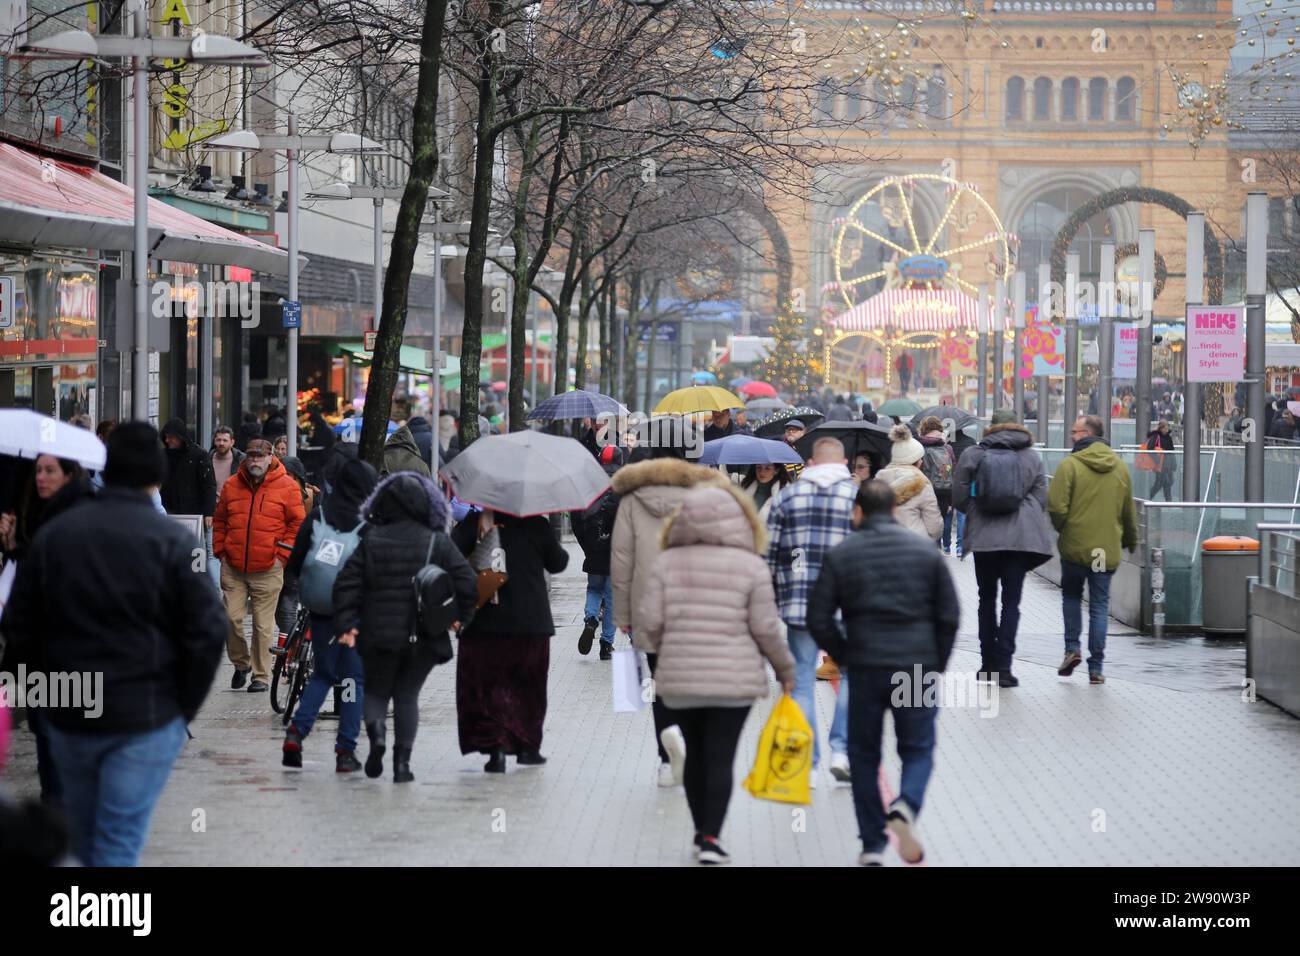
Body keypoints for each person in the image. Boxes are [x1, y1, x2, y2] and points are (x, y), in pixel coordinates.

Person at [0, 422, 226, 866]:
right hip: (144, 714)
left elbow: (19, 624)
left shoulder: (57, 534)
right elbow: (209, 629)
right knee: (119, 839)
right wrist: (181, 707)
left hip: (70, 712)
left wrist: (35, 692)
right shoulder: (173, 542)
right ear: (155, 477)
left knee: (81, 830)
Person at [636, 485, 796, 865]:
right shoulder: (752, 565)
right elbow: (765, 627)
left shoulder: (665, 563)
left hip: (681, 679)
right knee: (721, 757)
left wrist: (670, 643)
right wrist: (785, 670)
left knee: (696, 756)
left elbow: (651, 623)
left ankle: (697, 830)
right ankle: (710, 838)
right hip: (734, 681)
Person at [807, 479, 959, 866]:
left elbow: (819, 618)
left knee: (863, 754)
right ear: (894, 511)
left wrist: (845, 655)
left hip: (867, 668)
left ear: (857, 512)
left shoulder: (842, 554)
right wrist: (934, 664)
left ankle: (873, 844)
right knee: (918, 747)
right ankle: (906, 806)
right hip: (915, 667)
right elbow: (949, 616)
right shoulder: (925, 552)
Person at [333, 472, 477, 782]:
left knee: (375, 692)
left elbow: (346, 582)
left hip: (376, 634)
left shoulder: (371, 539)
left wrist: (346, 622)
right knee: (407, 696)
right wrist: (461, 619)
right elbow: (468, 581)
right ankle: (402, 765)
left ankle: (377, 738)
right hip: (422, 635)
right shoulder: (436, 540)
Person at [612, 450, 730, 786]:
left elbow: (621, 561)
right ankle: (694, 747)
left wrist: (622, 614)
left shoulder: (631, 502)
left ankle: (666, 760)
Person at [0, 454, 94, 808]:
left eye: (50, 471)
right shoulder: (40, 512)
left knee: (61, 741)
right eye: (38, 470)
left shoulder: (78, 516)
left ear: (69, 475)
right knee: (45, 738)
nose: (41, 478)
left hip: (70, 654)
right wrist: (11, 546)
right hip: (38, 653)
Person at [765, 436, 857, 784]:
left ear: (812, 464)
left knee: (801, 681)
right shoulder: (856, 497)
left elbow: (771, 555)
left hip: (799, 605)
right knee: (850, 676)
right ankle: (842, 752)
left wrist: (775, 597)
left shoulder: (786, 498)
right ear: (844, 464)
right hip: (848, 604)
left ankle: (809, 763)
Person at [452, 507, 569, 772]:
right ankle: (528, 747)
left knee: (488, 687)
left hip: (486, 624)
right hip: (531, 624)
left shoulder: (476, 523)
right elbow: (558, 562)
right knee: (529, 688)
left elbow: (449, 555)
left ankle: (496, 750)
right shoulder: (537, 525)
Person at [281, 458, 378, 772]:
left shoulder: (317, 517)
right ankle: (345, 750)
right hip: (355, 616)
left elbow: (295, 562)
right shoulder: (369, 524)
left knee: (323, 675)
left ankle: (296, 732)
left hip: (321, 611)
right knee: (352, 680)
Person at [951, 409, 1054, 687]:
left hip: (984, 539)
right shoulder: (1031, 456)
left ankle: (987, 664)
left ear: (991, 428)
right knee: (1011, 602)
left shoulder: (973, 454)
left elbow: (958, 494)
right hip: (1019, 540)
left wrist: (976, 510)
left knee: (986, 599)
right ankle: (1005, 668)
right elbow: (1042, 496)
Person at [1048, 416, 1138, 685]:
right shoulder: (1119, 468)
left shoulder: (1070, 466)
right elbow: (1128, 512)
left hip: (1075, 550)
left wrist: (1064, 528)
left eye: (1074, 431)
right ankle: (1096, 667)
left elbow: (1056, 507)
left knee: (1072, 598)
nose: (1071, 436)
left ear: (1086, 434)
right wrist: (1130, 541)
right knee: (1099, 606)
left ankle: (1071, 648)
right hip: (1104, 552)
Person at [213, 438, 305, 693]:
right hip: (233, 565)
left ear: (269, 458)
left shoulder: (287, 486)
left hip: (268, 567)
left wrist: (282, 556)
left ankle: (261, 676)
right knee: (231, 618)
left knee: (263, 627)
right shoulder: (232, 485)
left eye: (259, 457)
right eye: (251, 456)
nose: (254, 461)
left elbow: (297, 524)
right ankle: (242, 664)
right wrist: (220, 550)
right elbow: (220, 520)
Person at [572, 446, 623, 660]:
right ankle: (606, 644)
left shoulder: (589, 486)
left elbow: (577, 519)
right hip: (617, 553)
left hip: (594, 551)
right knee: (612, 599)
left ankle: (591, 618)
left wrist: (588, 547)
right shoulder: (625, 487)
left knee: (594, 590)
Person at [876, 425, 943, 540]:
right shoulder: (922, 484)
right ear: (915, 461)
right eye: (920, 458)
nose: (922, 461)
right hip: (915, 544)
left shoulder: (878, 482)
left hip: (883, 542)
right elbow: (934, 526)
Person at [917, 416, 956, 548]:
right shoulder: (948, 448)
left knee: (926, 525)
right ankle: (938, 550)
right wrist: (951, 501)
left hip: (926, 491)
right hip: (944, 492)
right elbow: (953, 472)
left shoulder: (919, 446)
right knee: (940, 524)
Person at [1141, 420, 1177, 502]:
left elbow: (1171, 451)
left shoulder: (1168, 437)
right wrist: (1156, 460)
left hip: (1167, 465)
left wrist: (1174, 463)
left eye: (1167, 428)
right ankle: (1167, 502)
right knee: (1165, 483)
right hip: (1160, 465)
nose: (1167, 430)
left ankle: (1150, 499)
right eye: (1165, 428)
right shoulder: (1156, 436)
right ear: (1161, 428)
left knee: (1165, 483)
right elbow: (1149, 448)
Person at [210, 425, 245, 499]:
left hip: (233, 502)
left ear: (232, 442)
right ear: (214, 441)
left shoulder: (241, 460)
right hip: (212, 505)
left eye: (225, 440)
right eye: (218, 440)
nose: (221, 443)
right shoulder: (207, 459)